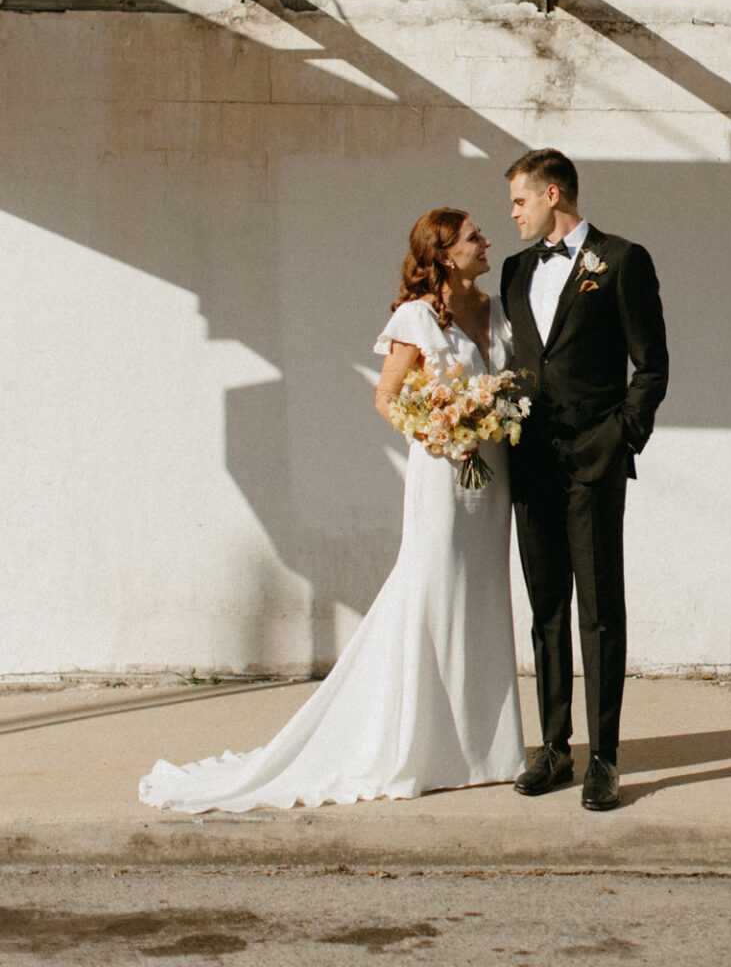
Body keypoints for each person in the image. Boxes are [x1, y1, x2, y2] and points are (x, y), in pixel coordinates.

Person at [139, 209, 525, 813]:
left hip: (493, 477)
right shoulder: (417, 317)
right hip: (444, 472)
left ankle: (486, 752)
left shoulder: (496, 310)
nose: (488, 241)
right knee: (433, 594)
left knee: (482, 598)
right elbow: (386, 397)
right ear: (447, 254)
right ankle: (421, 748)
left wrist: (486, 419)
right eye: (476, 237)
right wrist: (440, 430)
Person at [501, 150, 668, 812]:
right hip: (531, 461)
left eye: (519, 200)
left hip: (595, 460)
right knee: (546, 609)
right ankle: (554, 749)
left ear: (551, 193)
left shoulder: (622, 260)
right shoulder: (516, 270)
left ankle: (605, 758)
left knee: (600, 612)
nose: (512, 213)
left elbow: (650, 366)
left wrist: (621, 435)